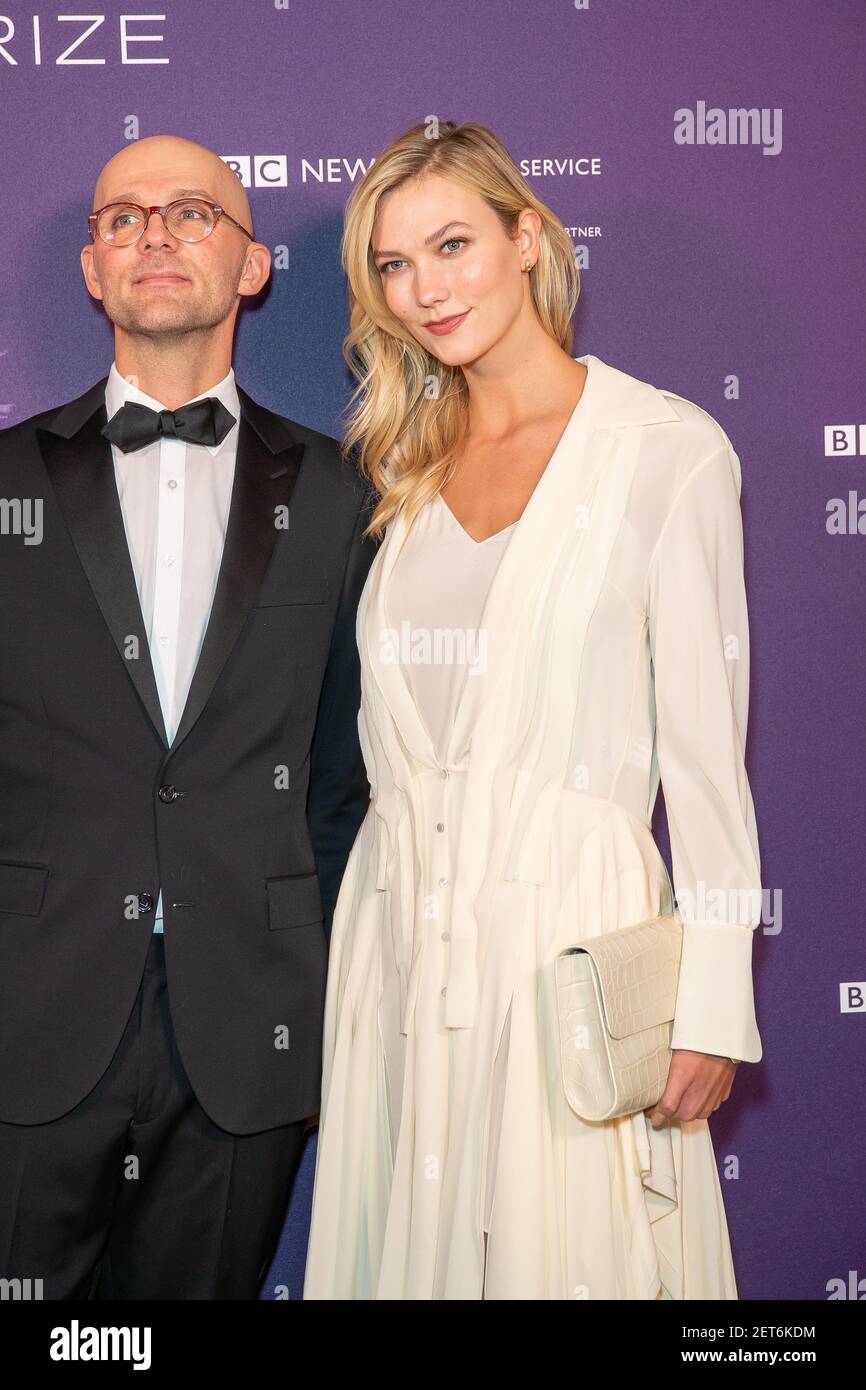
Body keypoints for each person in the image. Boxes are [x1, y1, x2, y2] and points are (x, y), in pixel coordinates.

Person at [302, 120, 763, 1300]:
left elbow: (708, 764)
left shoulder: (664, 452)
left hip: (565, 948)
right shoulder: (400, 466)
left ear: (528, 238)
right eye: (393, 267)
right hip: (403, 950)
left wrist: (710, 1000)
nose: (423, 290)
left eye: (450, 244)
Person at [0, 134, 376, 1299]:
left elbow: (343, 782)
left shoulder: (348, 496)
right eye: (124, 217)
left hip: (247, 1035)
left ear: (253, 266)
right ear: (91, 268)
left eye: (192, 212)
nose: (155, 233)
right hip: (28, 1015)